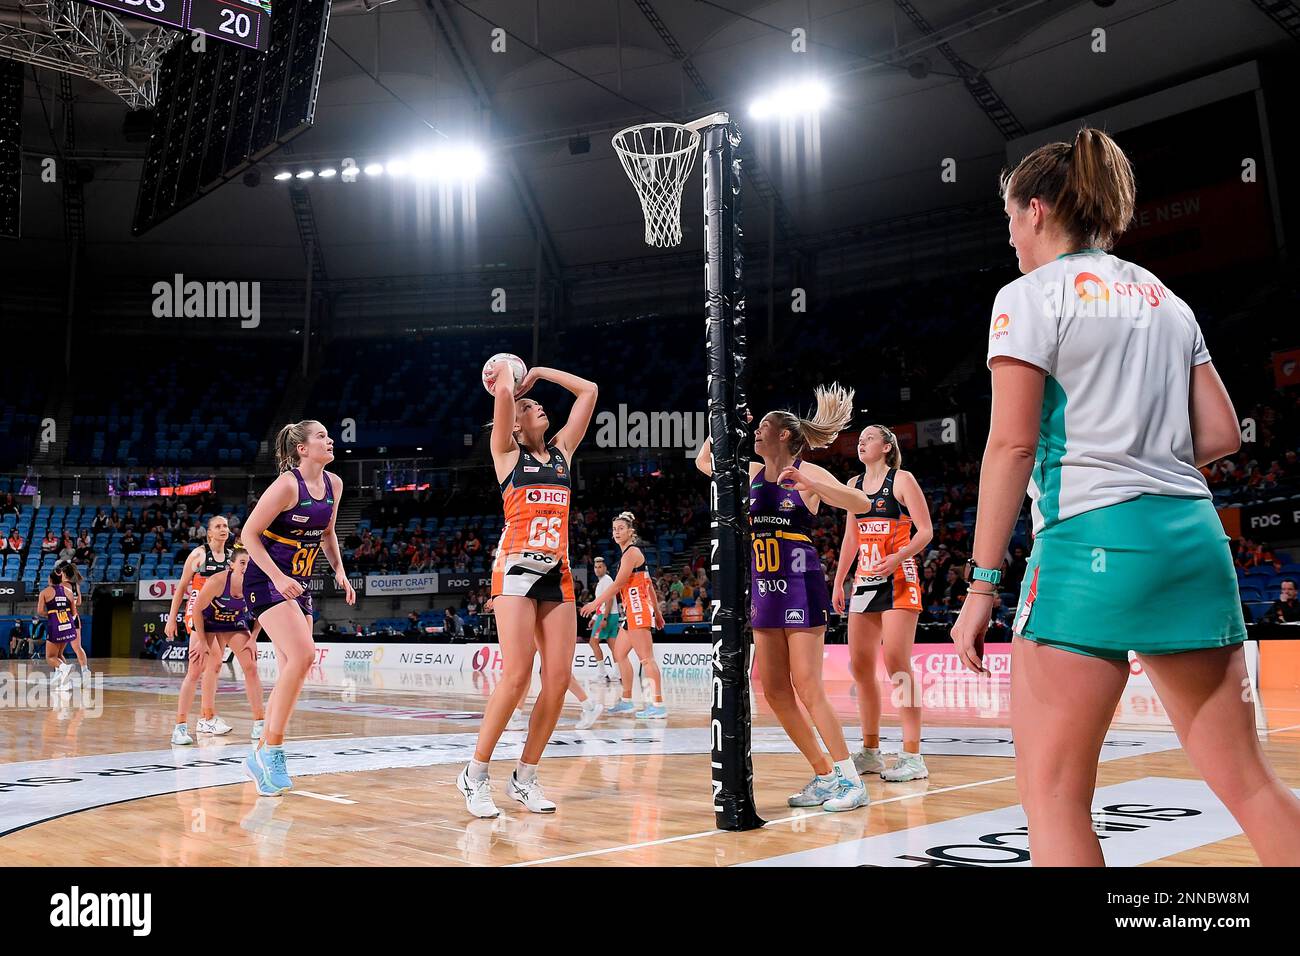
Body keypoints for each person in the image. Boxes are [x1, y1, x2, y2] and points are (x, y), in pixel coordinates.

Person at [950, 126, 1300, 866]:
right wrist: (1145, 446)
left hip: (1090, 545)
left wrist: (982, 582)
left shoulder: (1027, 296)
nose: (1010, 234)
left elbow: (1011, 445)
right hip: (1192, 542)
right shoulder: (1165, 297)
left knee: (1053, 799)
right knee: (1252, 784)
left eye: (1011, 217)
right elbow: (1222, 432)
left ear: (1037, 210)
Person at [696, 388, 869, 812]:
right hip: (762, 588)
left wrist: (812, 484)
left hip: (799, 584)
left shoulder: (807, 472)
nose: (757, 433)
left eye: (763, 428)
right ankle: (824, 774)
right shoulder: (750, 470)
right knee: (773, 689)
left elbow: (862, 502)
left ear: (787, 437)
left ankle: (851, 780)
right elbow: (705, 462)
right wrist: (725, 420)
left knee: (807, 685)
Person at [456, 363, 597, 819]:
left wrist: (539, 373)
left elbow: (589, 390)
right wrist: (508, 384)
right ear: (514, 421)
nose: (538, 406)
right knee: (517, 675)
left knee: (556, 682)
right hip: (514, 570)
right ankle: (475, 775)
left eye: (535, 402)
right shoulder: (506, 453)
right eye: (529, 405)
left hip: (557, 573)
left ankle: (525, 776)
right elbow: (503, 401)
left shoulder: (562, 453)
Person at [241, 421, 356, 796]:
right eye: (321, 436)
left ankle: (259, 753)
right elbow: (248, 535)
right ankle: (272, 749)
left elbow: (327, 534)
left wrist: (340, 571)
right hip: (266, 580)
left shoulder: (335, 484)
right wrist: (276, 577)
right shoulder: (287, 485)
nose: (330, 439)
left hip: (299, 583)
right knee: (304, 655)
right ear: (302, 449)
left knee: (295, 666)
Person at [827, 424, 935, 782]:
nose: (861, 443)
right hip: (865, 580)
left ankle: (912, 755)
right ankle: (871, 752)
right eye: (859, 440)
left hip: (899, 576)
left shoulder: (902, 480)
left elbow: (926, 531)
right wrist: (841, 578)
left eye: (869, 438)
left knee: (897, 664)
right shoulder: (853, 487)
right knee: (859, 667)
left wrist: (898, 556)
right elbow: (851, 537)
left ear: (887, 446)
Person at [178, 546, 268, 745]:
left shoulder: (256, 583)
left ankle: (260, 724)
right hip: (207, 623)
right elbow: (198, 612)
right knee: (195, 669)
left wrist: (253, 638)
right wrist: (202, 642)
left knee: (251, 666)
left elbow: (263, 611)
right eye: (242, 563)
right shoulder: (217, 581)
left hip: (232, 623)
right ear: (232, 565)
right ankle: (180, 727)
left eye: (250, 563)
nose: (246, 567)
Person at [580, 512, 667, 718]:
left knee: (646, 659)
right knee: (619, 654)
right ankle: (627, 701)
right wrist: (658, 612)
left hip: (638, 611)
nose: (617, 532)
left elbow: (618, 584)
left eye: (621, 528)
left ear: (630, 531)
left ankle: (658, 705)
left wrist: (595, 603)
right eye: (614, 529)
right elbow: (650, 586)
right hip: (632, 612)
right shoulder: (627, 554)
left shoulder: (631, 553)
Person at [166, 516, 237, 739]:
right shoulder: (198, 554)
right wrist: (171, 618)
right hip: (199, 613)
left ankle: (207, 719)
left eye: (225, 526)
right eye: (218, 526)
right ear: (209, 533)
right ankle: (180, 726)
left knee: (215, 667)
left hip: (220, 615)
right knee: (195, 670)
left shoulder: (231, 556)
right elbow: (180, 589)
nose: (223, 529)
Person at [587, 556, 621, 683]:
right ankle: (618, 674)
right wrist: (595, 617)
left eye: (600, 567)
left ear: (605, 568)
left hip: (607, 616)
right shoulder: (604, 581)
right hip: (611, 615)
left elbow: (609, 599)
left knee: (593, 642)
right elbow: (601, 603)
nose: (597, 569)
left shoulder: (606, 580)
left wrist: (603, 618)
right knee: (613, 646)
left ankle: (602, 674)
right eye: (595, 567)